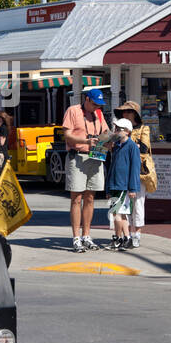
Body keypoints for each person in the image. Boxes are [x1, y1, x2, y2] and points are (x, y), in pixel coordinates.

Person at [62, 88, 109, 252]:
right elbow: (67, 135)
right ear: (87, 100)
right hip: (78, 156)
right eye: (95, 104)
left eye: (100, 104)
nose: (97, 107)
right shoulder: (73, 111)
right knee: (76, 198)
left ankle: (86, 236)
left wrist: (110, 140)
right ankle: (76, 238)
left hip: (95, 157)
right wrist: (86, 141)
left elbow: (105, 132)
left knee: (90, 197)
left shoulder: (99, 114)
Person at [108, 99, 151, 248]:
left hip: (138, 172)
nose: (124, 114)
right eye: (122, 112)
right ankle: (122, 235)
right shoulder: (117, 134)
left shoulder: (143, 129)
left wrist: (128, 141)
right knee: (120, 208)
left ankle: (136, 234)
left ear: (134, 114)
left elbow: (144, 148)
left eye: (127, 112)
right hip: (120, 176)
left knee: (137, 204)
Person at [105, 118, 141, 251]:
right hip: (115, 185)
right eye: (115, 129)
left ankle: (117, 238)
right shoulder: (117, 147)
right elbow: (112, 168)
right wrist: (108, 187)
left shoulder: (132, 147)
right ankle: (127, 238)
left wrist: (133, 188)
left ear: (127, 131)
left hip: (123, 186)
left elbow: (135, 169)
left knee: (117, 214)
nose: (115, 131)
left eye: (118, 129)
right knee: (121, 214)